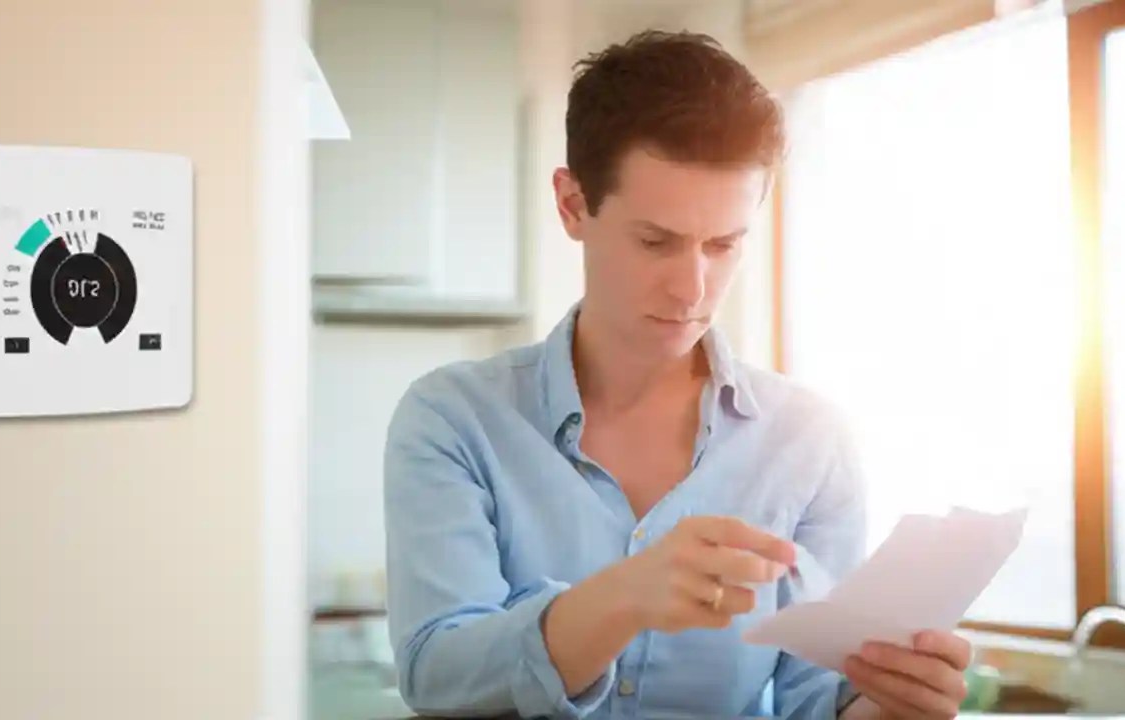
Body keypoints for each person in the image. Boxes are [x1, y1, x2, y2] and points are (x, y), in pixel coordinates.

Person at [383, 30, 971, 720]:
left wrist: (891, 703)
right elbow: (437, 672)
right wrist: (626, 596)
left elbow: (815, 701)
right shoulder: (454, 419)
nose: (692, 289)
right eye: (655, 242)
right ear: (573, 205)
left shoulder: (810, 442)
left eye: (723, 245)